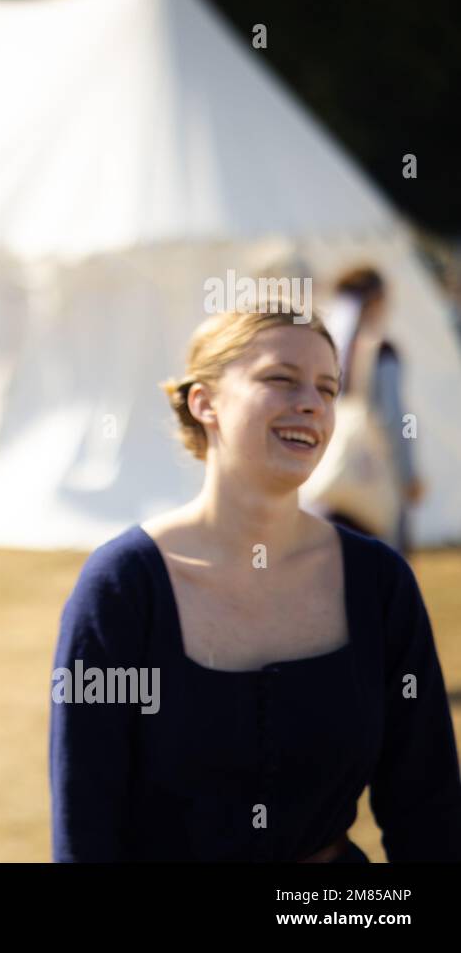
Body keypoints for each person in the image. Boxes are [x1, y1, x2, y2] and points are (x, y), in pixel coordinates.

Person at [49, 305, 461, 862]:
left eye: (327, 388)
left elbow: (428, 808)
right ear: (205, 403)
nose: (311, 403)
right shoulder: (123, 589)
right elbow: (86, 823)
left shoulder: (378, 582)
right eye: (280, 379)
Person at [320, 267, 422, 553]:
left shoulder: (325, 348)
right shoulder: (381, 350)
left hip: (332, 481)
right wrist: (408, 473)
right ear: (376, 300)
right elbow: (394, 418)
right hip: (375, 477)